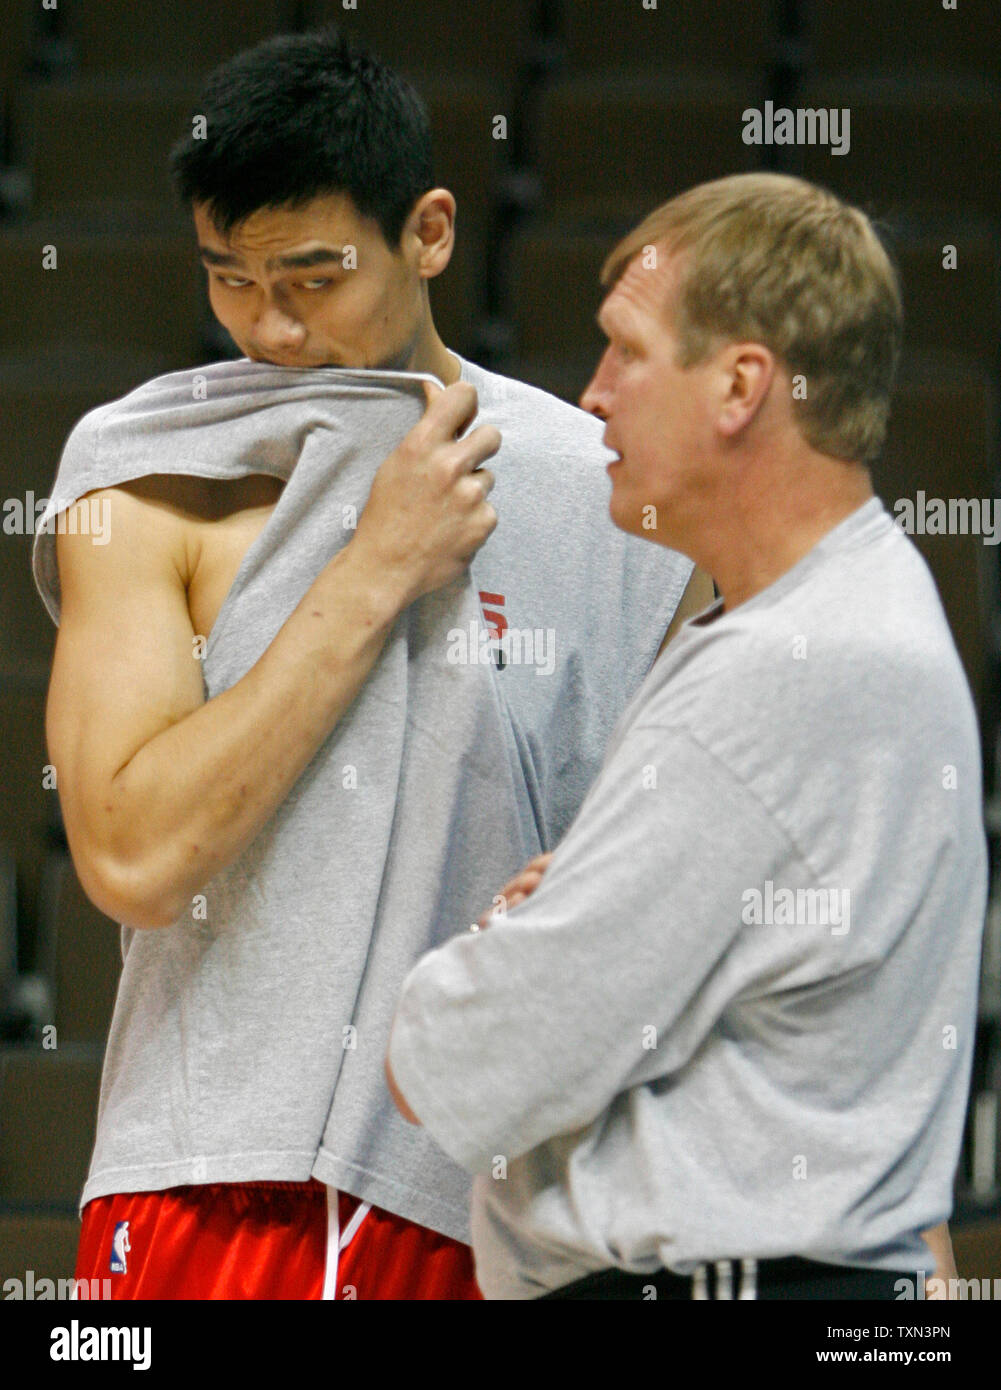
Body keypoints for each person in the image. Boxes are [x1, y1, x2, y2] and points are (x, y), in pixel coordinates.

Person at [33, 29, 703, 1299]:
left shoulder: (609, 499)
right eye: (229, 277)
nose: (272, 327)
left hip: (502, 1210)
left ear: (431, 232)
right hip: (202, 1183)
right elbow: (129, 855)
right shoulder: (143, 474)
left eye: (314, 275)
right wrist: (372, 569)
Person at [386, 172, 987, 1299]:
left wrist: (497, 951)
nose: (592, 394)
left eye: (626, 352)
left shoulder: (782, 670)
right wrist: (573, 916)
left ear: (739, 386)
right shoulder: (849, 608)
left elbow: (467, 1063)